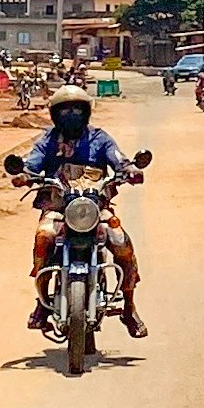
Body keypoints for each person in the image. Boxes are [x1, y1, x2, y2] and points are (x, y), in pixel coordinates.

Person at [21, 84, 151, 337]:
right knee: (43, 238)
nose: (71, 115)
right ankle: (42, 303)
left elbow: (118, 159)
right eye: (65, 110)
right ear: (55, 114)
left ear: (87, 112)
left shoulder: (99, 138)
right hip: (58, 208)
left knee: (121, 242)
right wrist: (25, 174)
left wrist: (129, 170)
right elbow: (32, 163)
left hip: (95, 209)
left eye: (77, 110)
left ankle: (129, 307)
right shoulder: (48, 140)